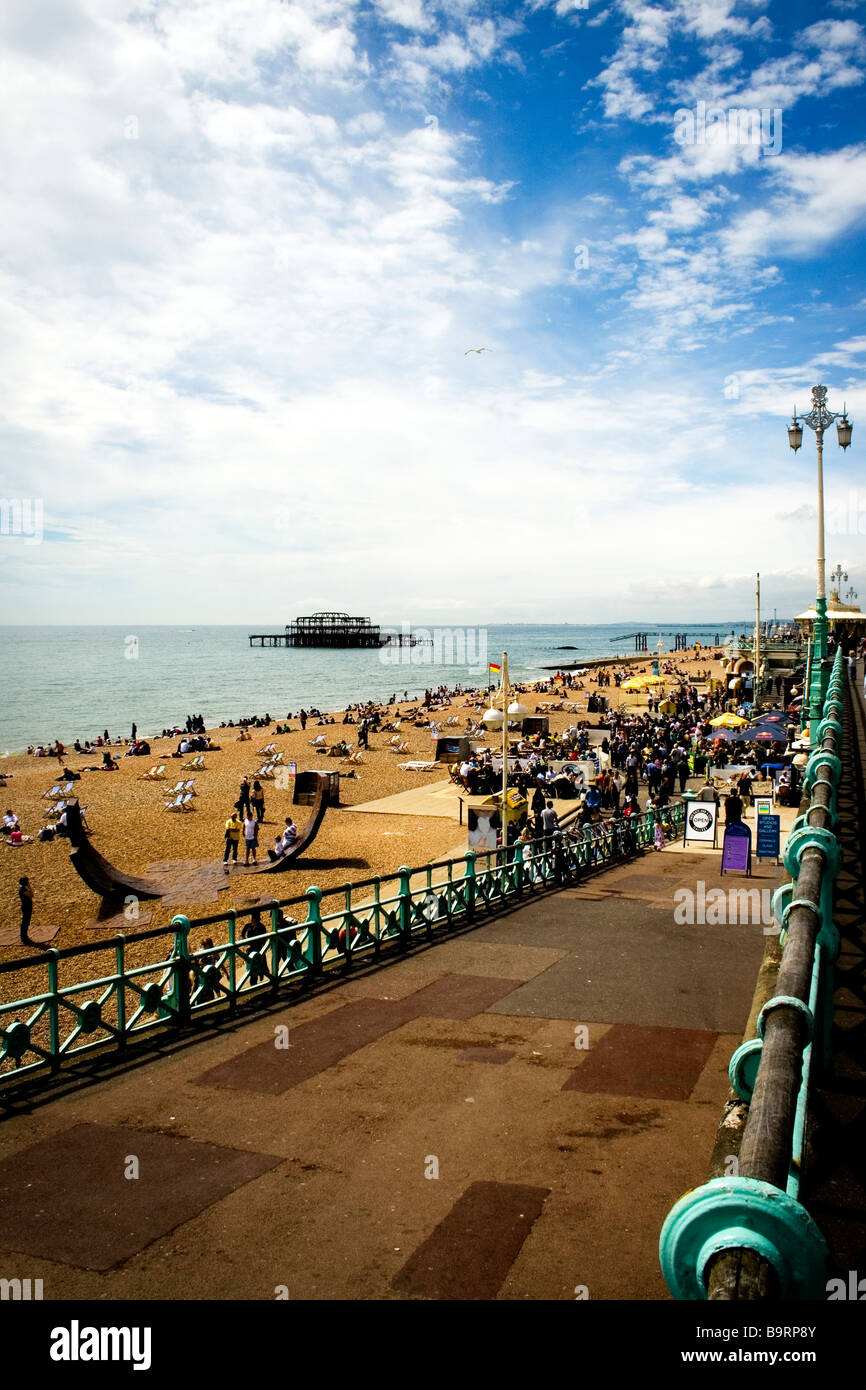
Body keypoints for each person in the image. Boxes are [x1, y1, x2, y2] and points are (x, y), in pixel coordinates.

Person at [18, 876, 35, 946]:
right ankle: (24, 938)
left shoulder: (23, 889)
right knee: (25, 922)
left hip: (27, 906)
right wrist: (29, 887)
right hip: (26, 907)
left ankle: (24, 937)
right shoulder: (23, 889)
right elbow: (31, 895)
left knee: (26, 922)